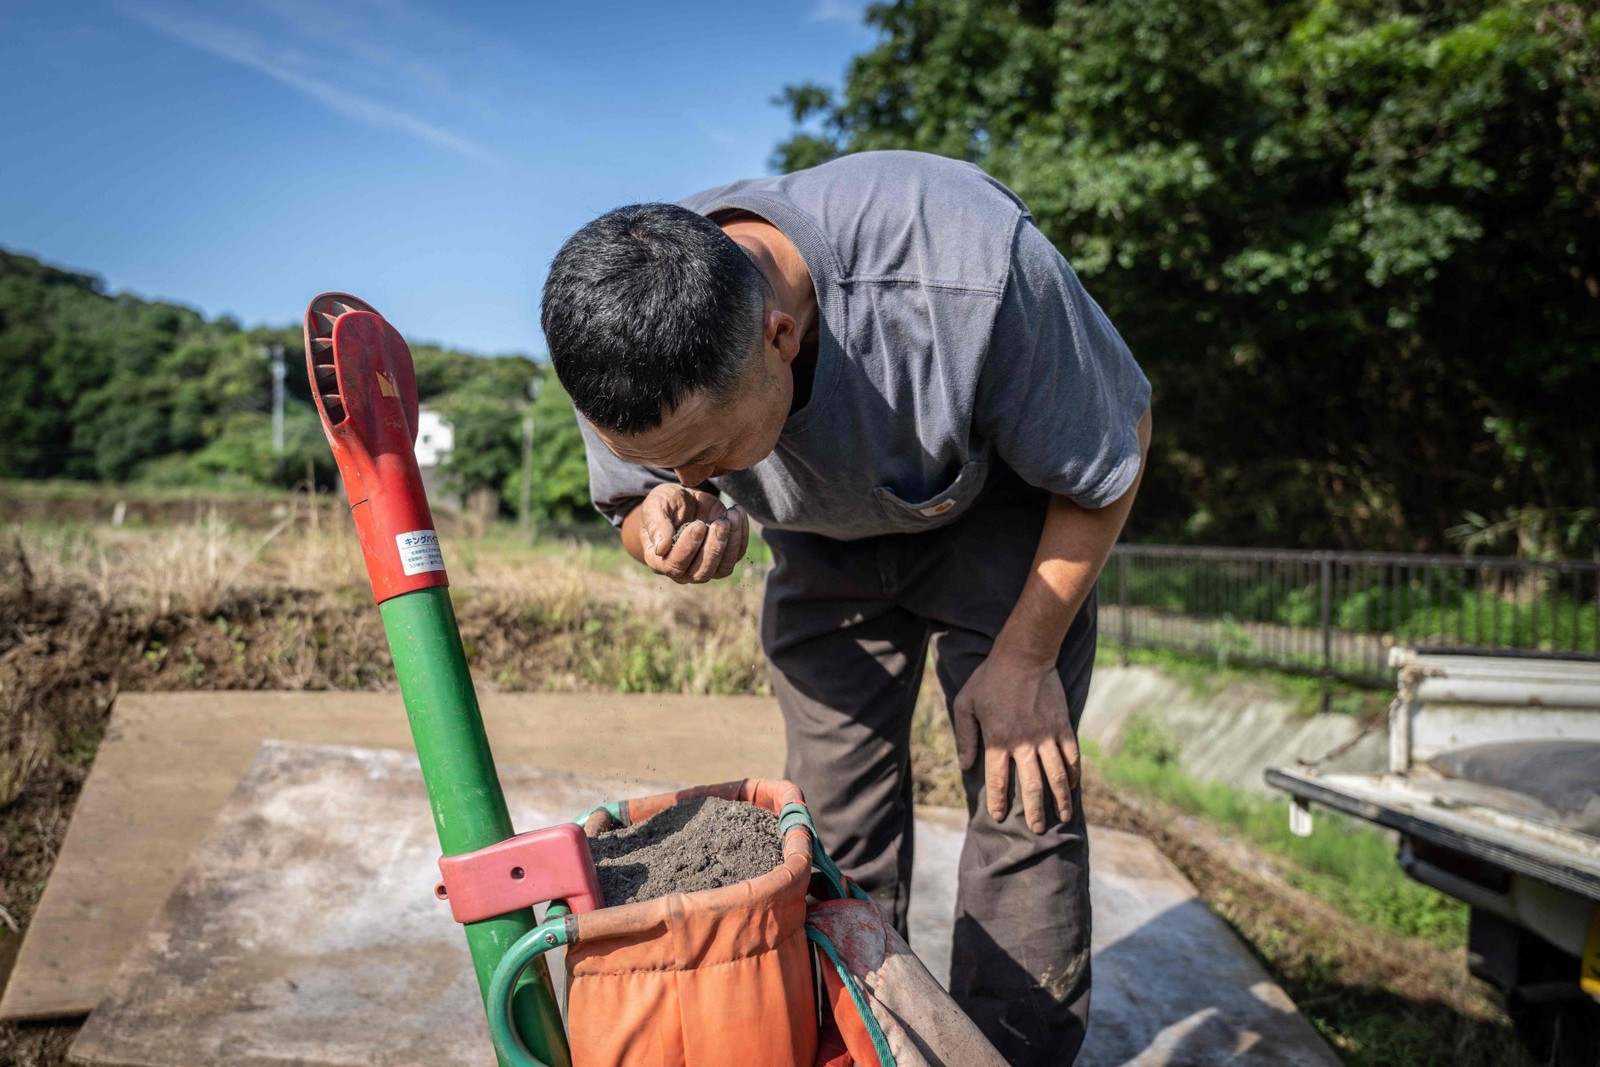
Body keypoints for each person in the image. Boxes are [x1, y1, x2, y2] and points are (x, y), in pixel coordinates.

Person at [541, 149, 1151, 1066]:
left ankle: (1012, 1054)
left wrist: (1026, 658)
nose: (695, 481)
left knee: (1022, 791)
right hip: (819, 542)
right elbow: (636, 499)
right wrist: (659, 526)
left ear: (779, 337)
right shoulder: (630, 318)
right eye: (666, 462)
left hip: (997, 512)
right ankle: (866, 1042)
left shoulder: (964, 268)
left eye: (703, 454)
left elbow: (1115, 450)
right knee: (829, 824)